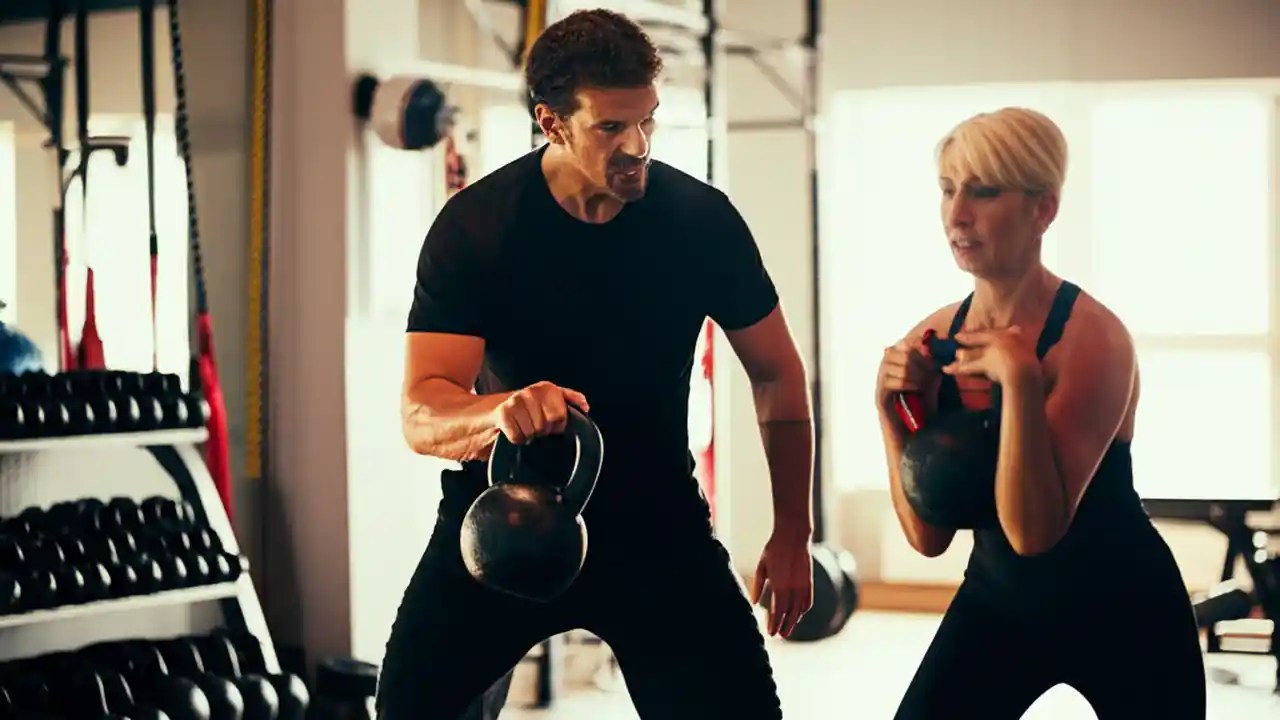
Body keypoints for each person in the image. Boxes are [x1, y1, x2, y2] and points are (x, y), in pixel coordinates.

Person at [375, 9, 815, 719]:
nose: (637, 145)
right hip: (502, 521)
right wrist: (498, 413)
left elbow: (776, 373)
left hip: (654, 523)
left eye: (647, 121)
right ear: (551, 123)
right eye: (611, 127)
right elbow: (422, 409)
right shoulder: (478, 228)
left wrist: (793, 529)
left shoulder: (700, 222)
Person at [876, 107, 1206, 719]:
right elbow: (928, 537)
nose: (957, 213)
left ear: (1043, 210)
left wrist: (1021, 382)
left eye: (984, 191)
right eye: (948, 190)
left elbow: (1034, 534)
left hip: (1125, 611)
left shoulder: (1094, 339)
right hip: (999, 606)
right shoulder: (933, 337)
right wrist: (888, 412)